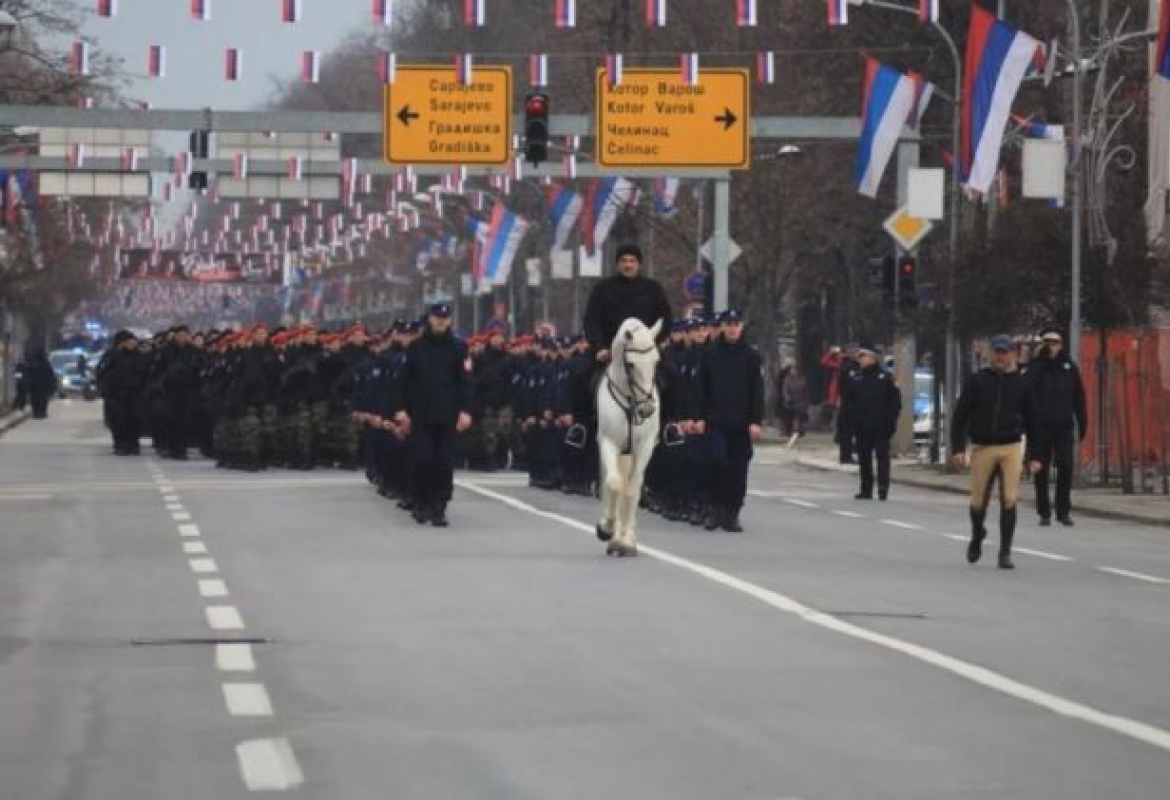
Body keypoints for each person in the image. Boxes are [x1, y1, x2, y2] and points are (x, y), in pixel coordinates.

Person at [566, 243, 675, 447]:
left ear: (639, 264)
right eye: (624, 261)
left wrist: (653, 344)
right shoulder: (603, 289)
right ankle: (580, 426)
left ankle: (669, 425)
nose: (628, 265)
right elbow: (591, 321)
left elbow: (666, 320)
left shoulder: (652, 289)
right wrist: (599, 347)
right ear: (617, 264)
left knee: (672, 375)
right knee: (579, 376)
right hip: (608, 352)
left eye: (632, 261)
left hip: (643, 351)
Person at [950, 335, 1037, 570]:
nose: (1001, 356)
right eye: (997, 352)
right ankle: (977, 535)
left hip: (1010, 446)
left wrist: (1035, 455)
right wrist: (958, 448)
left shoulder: (1021, 383)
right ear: (991, 353)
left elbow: (1033, 420)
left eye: (1005, 352)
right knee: (978, 501)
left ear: (1013, 355)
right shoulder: (977, 380)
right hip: (983, 446)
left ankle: (1005, 552)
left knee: (1009, 498)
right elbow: (961, 415)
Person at [394, 304, 474, 527]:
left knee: (444, 462)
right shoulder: (416, 347)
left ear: (450, 321)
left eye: (445, 318)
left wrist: (466, 411)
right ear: (430, 319)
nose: (441, 321)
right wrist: (401, 410)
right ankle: (421, 503)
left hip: (447, 415)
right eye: (437, 317)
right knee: (422, 459)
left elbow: (466, 383)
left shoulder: (459, 348)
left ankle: (439, 506)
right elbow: (404, 381)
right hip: (421, 413)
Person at [697, 309, 764, 532]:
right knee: (716, 462)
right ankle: (715, 509)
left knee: (738, 469)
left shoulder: (751, 357)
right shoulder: (710, 354)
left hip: (742, 423)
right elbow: (700, 389)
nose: (733, 328)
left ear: (741, 327)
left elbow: (757, 391)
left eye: (737, 324)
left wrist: (756, 421)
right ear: (723, 327)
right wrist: (698, 417)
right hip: (716, 421)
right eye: (729, 324)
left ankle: (732, 512)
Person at [1024, 328, 1087, 527]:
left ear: (1061, 344)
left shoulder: (1069, 366)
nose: (1052, 346)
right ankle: (1044, 511)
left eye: (1055, 342)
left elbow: (1078, 395)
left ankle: (1063, 511)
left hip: (1063, 426)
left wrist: (1082, 421)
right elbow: (1025, 395)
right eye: (1048, 342)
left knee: (1066, 466)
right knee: (1040, 469)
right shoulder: (1035, 367)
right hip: (1040, 426)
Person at [843, 345, 901, 500]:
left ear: (873, 358)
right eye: (859, 356)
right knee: (864, 458)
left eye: (864, 356)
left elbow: (895, 402)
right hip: (861, 426)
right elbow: (850, 401)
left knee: (882, 457)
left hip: (880, 426)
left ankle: (882, 488)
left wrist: (890, 423)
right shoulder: (856, 377)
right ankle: (866, 489)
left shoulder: (886, 377)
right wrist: (852, 422)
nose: (860, 359)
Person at [96, 331, 148, 454]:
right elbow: (102, 373)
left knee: (136, 419)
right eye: (128, 342)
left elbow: (146, 374)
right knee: (119, 420)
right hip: (116, 394)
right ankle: (120, 444)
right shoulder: (112, 356)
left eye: (133, 342)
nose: (132, 344)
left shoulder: (140, 357)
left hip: (135, 394)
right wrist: (106, 390)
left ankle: (133, 443)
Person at [780, 363, 810, 447]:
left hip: (800, 403)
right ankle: (791, 434)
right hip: (790, 403)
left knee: (798, 420)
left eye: (795, 370)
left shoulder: (803, 379)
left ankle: (795, 434)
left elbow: (806, 391)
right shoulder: (787, 379)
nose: (793, 372)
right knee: (790, 420)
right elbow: (784, 390)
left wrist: (806, 402)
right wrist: (788, 398)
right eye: (791, 370)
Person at [24, 350, 58, 419]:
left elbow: (28, 373)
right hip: (40, 385)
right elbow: (51, 375)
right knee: (41, 399)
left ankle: (38, 412)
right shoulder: (43, 363)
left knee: (37, 399)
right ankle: (40, 412)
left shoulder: (35, 363)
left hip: (37, 385)